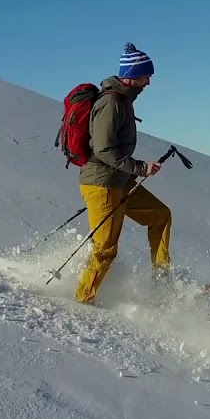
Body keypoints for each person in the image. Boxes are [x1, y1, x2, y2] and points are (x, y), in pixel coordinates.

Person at [75, 42, 173, 304]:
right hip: (103, 184)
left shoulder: (124, 101)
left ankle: (162, 281)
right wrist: (140, 167)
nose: (148, 82)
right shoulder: (111, 103)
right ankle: (82, 301)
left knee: (160, 215)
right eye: (145, 76)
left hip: (119, 180)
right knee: (105, 249)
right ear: (131, 76)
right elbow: (104, 149)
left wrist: (134, 171)